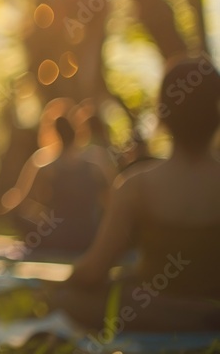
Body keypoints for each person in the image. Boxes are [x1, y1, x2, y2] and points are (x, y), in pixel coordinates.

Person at [53, 59, 220, 331]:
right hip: (213, 313)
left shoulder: (137, 185)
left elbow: (94, 271)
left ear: (164, 113)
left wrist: (64, 280)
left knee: (70, 298)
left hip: (153, 313)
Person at [1, 116, 113, 254]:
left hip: (57, 236)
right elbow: (111, 199)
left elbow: (21, 202)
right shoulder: (95, 163)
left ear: (54, 134)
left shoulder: (47, 166)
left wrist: (5, 207)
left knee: (18, 216)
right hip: (89, 235)